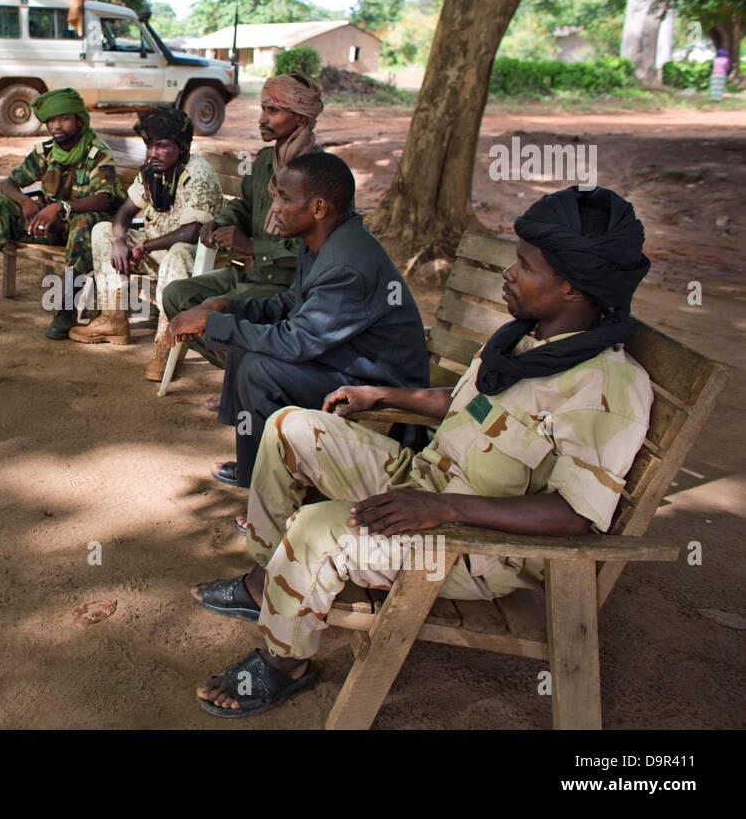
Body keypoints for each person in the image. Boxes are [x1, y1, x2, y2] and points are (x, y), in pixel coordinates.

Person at [188, 185, 654, 718]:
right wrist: (385, 396)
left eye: (524, 266)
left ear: (573, 287)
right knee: (291, 426)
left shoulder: (606, 386)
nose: (509, 272)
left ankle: (283, 662)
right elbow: (465, 405)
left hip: (475, 543)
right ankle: (265, 577)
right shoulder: (525, 341)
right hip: (427, 484)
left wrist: (446, 510)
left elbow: (575, 515)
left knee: (315, 527)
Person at [167, 153, 428, 490]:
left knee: (258, 369)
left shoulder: (345, 264)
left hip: (378, 384)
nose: (274, 206)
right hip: (345, 359)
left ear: (319, 208)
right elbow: (292, 303)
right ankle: (254, 472)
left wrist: (214, 324)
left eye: (284, 198)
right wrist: (227, 308)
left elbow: (294, 341)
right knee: (244, 351)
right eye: (275, 195)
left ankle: (274, 493)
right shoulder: (321, 242)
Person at [161, 73, 323, 370]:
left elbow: (322, 247)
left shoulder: (322, 172)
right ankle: (240, 373)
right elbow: (245, 206)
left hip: (288, 287)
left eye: (272, 110)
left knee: (223, 313)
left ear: (300, 118)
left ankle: (251, 378)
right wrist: (220, 221)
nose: (262, 118)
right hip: (250, 274)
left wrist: (252, 247)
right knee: (176, 295)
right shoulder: (264, 161)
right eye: (262, 108)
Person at [0, 87, 124, 340]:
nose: (56, 125)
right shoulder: (45, 151)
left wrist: (61, 206)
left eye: (64, 118)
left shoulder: (97, 153)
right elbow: (8, 184)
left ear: (79, 121)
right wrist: (25, 203)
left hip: (83, 232)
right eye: (51, 120)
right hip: (47, 226)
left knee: (84, 224)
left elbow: (103, 200)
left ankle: (67, 309)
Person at [69, 106, 223, 381]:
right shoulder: (152, 172)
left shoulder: (198, 173)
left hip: (191, 258)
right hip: (153, 251)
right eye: (150, 146)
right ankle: (113, 319)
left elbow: (192, 232)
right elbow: (125, 213)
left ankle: (166, 342)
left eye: (162, 146)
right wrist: (119, 242)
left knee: (177, 252)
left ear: (183, 146)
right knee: (104, 230)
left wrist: (145, 247)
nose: (154, 153)